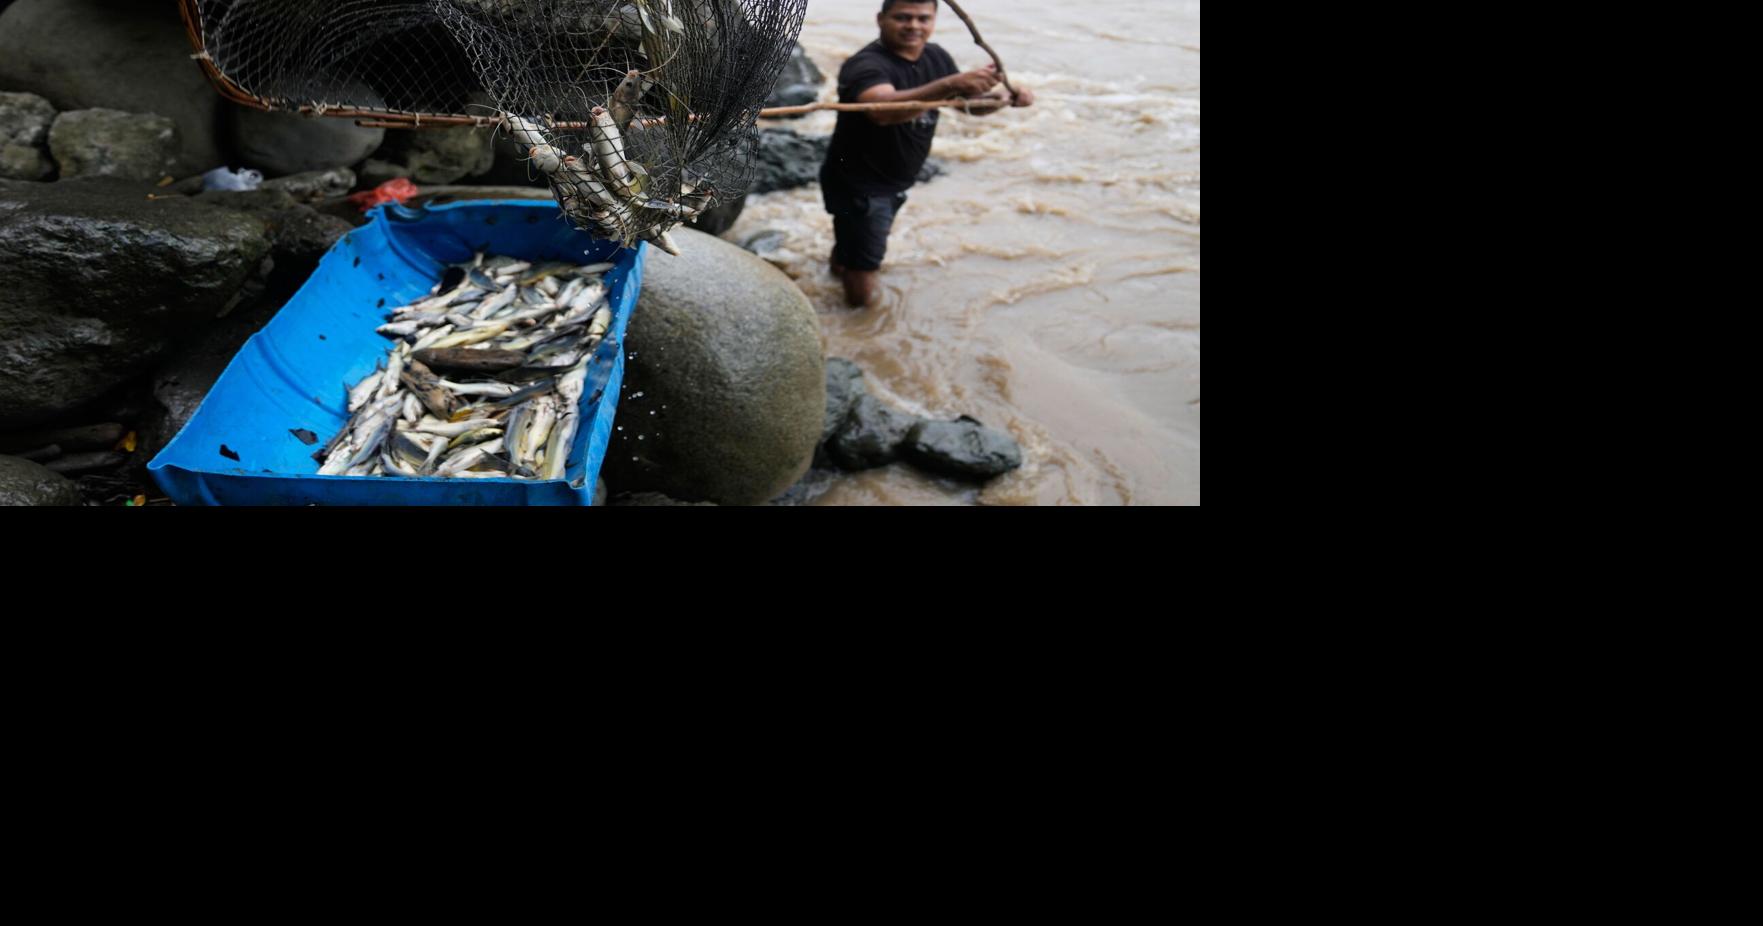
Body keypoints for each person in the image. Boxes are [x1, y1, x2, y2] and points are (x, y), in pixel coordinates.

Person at [820, 0, 1036, 307]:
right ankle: (859, 319)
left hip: (893, 180)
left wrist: (1002, 98)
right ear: (881, 19)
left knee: (855, 245)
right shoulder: (866, 65)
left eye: (923, 18)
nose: (914, 26)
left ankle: (836, 273)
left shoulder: (936, 57)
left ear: (934, 21)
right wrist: (952, 83)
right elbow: (882, 111)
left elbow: (964, 105)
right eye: (903, 17)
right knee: (864, 265)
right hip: (861, 184)